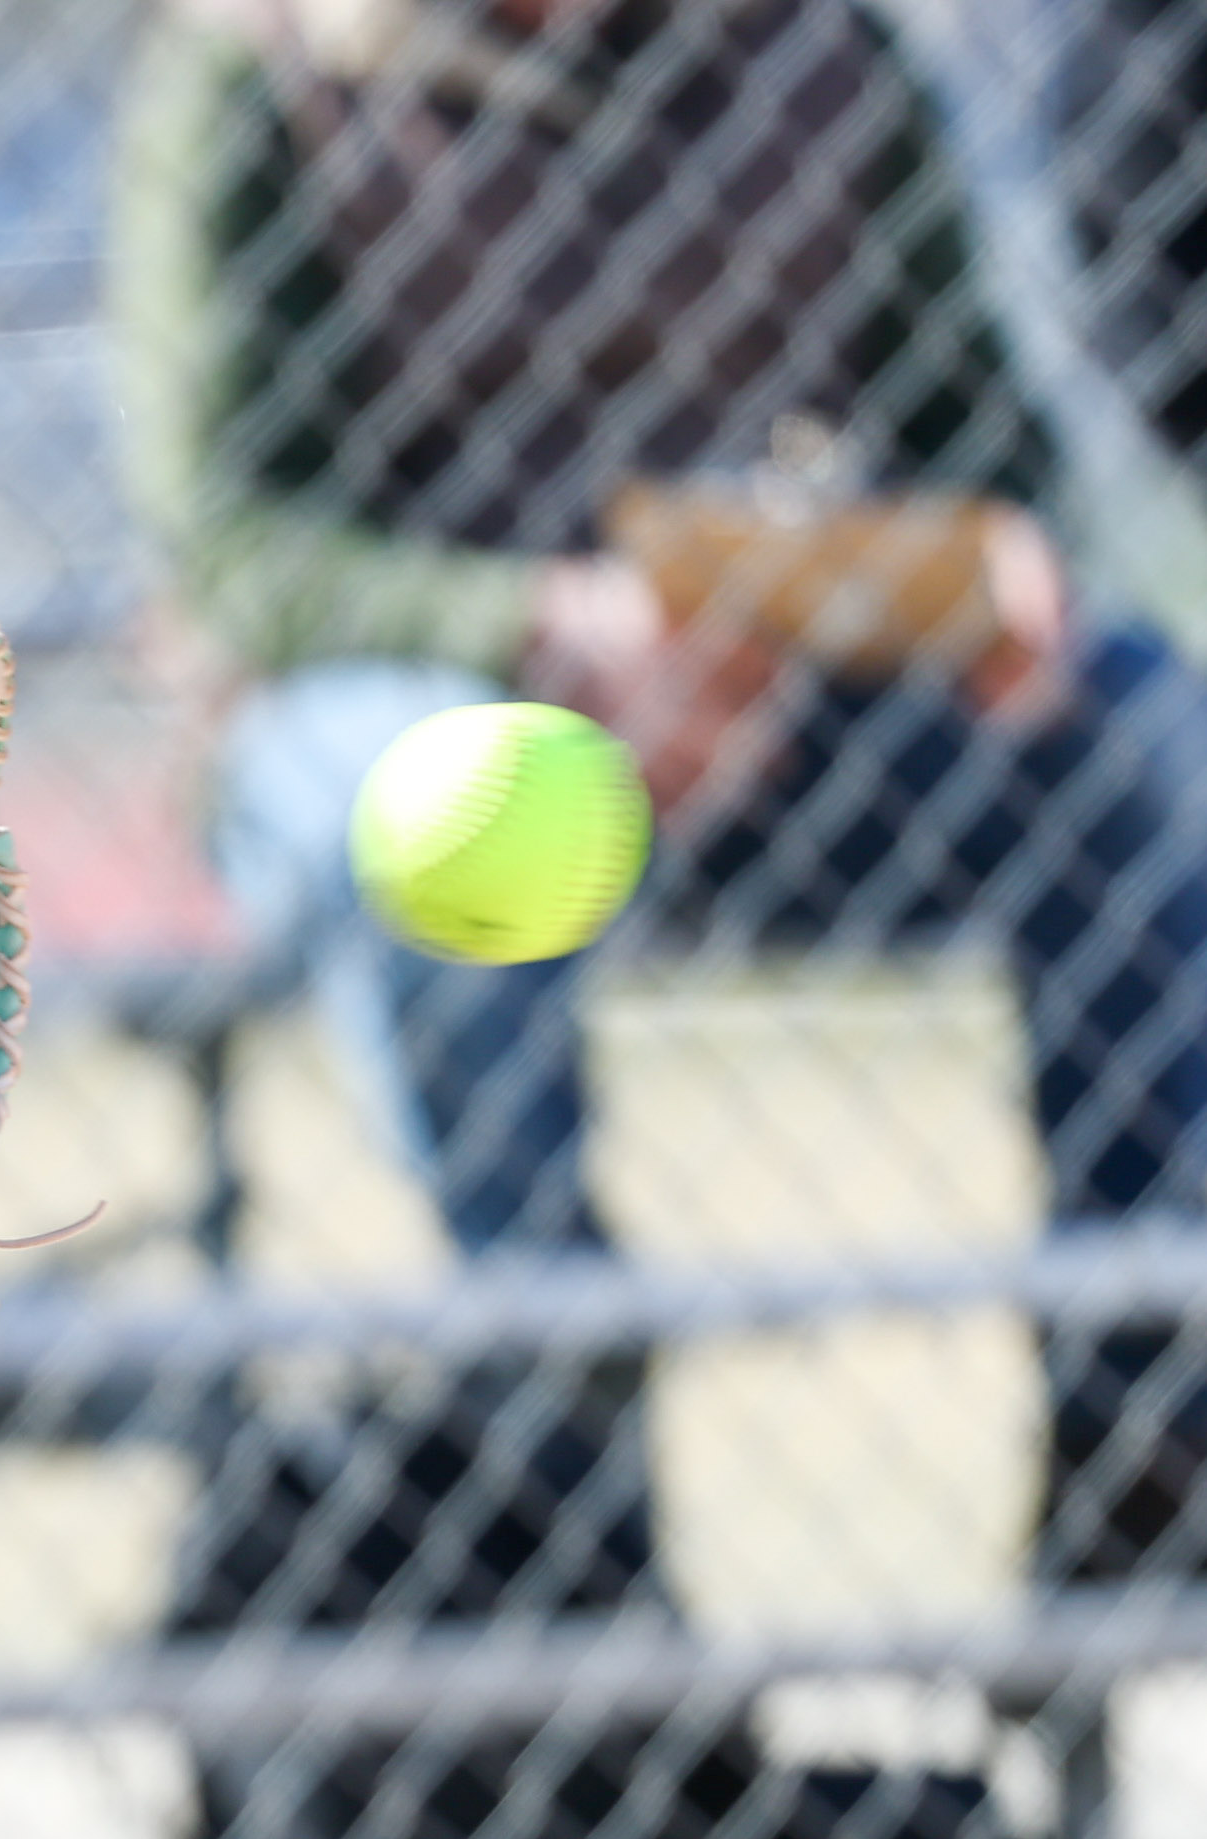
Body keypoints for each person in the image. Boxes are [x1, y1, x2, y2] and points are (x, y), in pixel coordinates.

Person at [119, 0, 1207, 1576]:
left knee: (1131, 718)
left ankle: (1144, 1410)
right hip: (403, 712)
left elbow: (979, 442)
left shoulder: (811, 51)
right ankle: (562, 1467)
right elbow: (226, 546)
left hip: (766, 711)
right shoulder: (265, 67)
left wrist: (938, 582)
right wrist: (549, 632)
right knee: (470, 782)